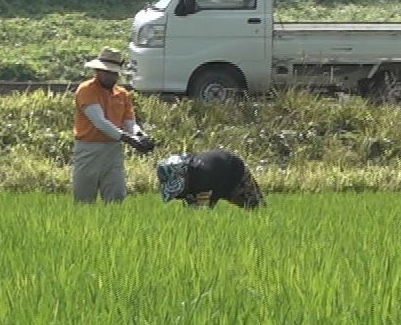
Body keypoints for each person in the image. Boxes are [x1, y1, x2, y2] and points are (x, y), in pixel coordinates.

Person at [71, 47, 154, 203]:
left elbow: (130, 124)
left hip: (113, 151)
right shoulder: (86, 90)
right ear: (97, 71)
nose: (110, 76)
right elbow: (100, 122)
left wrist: (140, 135)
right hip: (89, 149)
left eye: (113, 73)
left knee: (116, 198)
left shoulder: (122, 94)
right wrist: (130, 140)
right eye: (106, 72)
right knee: (84, 200)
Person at [156, 148, 266, 209]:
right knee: (192, 212)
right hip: (213, 176)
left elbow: (202, 212)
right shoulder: (189, 176)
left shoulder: (203, 180)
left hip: (234, 171)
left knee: (257, 209)